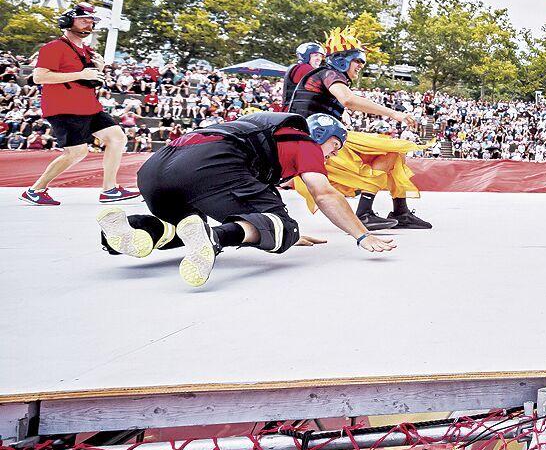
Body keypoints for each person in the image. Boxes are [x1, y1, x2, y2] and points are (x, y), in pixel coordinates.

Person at [95, 112, 396, 288]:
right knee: (284, 229)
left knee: (184, 226)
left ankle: (132, 231)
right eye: (335, 148)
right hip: (212, 162)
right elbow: (323, 191)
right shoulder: (304, 142)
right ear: (329, 139)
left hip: (157, 169)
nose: (331, 155)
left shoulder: (258, 130)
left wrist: (260, 224)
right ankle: (215, 239)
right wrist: (361, 234)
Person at [287, 28, 431, 229]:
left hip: (319, 139)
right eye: (358, 61)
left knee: (394, 153)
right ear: (342, 60)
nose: (360, 66)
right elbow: (348, 100)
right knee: (392, 149)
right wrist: (394, 113)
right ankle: (364, 213)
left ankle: (400, 211)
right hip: (314, 142)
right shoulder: (329, 74)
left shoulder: (329, 76)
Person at [20, 4, 139, 207]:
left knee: (117, 138)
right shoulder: (53, 47)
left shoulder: (87, 51)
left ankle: (109, 189)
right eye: (84, 19)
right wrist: (81, 74)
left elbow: (90, 79)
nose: (89, 23)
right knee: (77, 152)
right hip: (64, 108)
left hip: (89, 106)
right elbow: (39, 77)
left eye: (91, 21)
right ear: (68, 22)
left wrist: (98, 69)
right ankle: (35, 190)